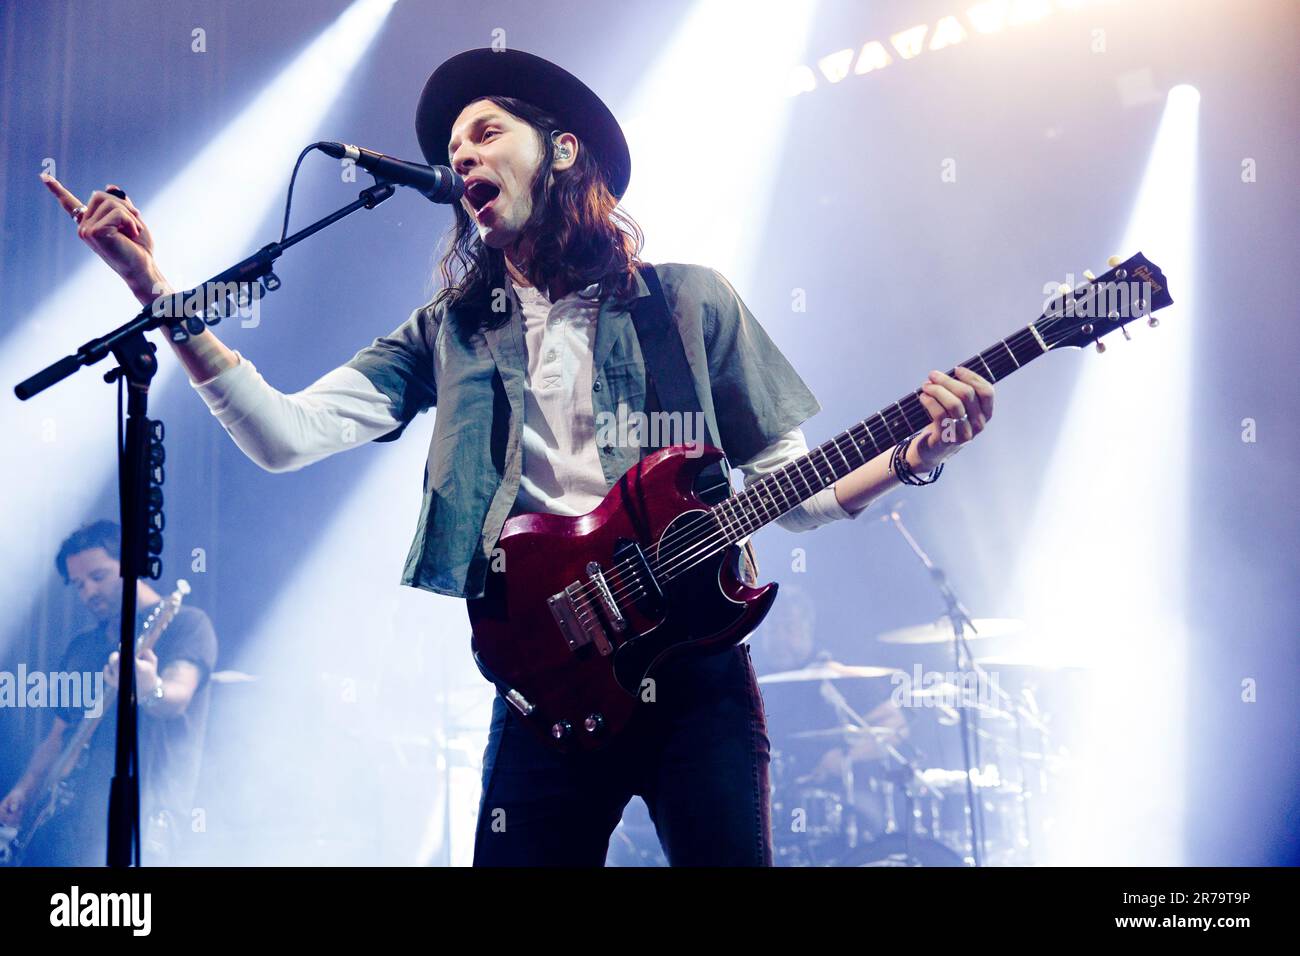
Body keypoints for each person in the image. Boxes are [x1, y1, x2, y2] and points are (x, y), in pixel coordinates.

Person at [40, 48, 994, 866]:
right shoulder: (449, 332)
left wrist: (908, 455)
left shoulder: (689, 303)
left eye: (487, 132)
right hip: (551, 680)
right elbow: (283, 436)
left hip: (695, 674)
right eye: (454, 149)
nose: (462, 154)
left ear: (562, 150)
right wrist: (154, 288)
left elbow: (799, 493)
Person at [0, 521, 218, 866]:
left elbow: (177, 696)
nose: (88, 591)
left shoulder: (185, 625)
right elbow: (59, 734)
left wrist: (150, 688)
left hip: (144, 817)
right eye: (79, 584)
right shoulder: (82, 647)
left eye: (98, 577)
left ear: (131, 564)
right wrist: (25, 789)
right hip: (71, 822)